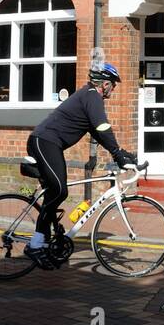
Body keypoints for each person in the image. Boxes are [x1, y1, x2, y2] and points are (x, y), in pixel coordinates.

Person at [24, 62, 136, 265]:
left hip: (49, 144)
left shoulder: (89, 96)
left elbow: (98, 133)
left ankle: (49, 238)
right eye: (113, 85)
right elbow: (103, 128)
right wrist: (118, 154)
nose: (114, 89)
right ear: (104, 84)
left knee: (55, 191)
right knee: (60, 191)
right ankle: (35, 245)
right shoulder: (92, 96)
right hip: (44, 142)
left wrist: (122, 153)